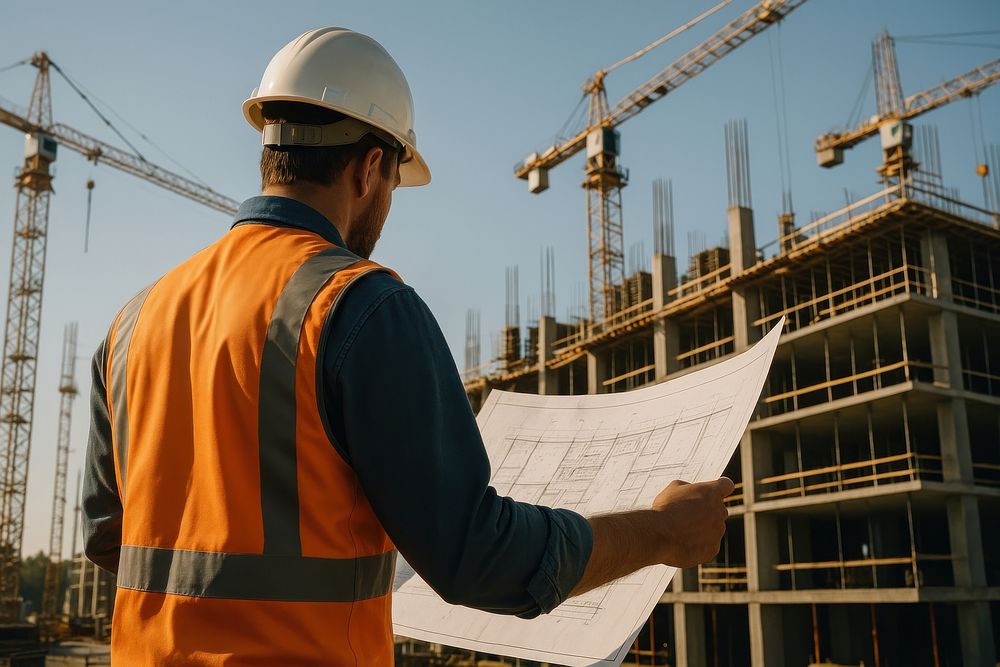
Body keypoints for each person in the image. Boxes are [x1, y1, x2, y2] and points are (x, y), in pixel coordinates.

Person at [83, 27, 734, 665]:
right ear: (370, 169)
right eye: (394, 183)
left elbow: (110, 537)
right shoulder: (359, 306)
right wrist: (661, 532)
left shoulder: (132, 323)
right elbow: (480, 556)